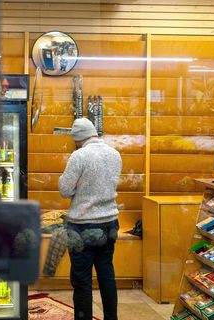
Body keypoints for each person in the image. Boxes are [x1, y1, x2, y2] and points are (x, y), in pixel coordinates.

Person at [59, 117, 121, 320]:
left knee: (82, 280)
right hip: (110, 223)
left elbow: (65, 190)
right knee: (107, 275)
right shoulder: (115, 154)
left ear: (78, 139)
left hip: (83, 226)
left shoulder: (79, 156)